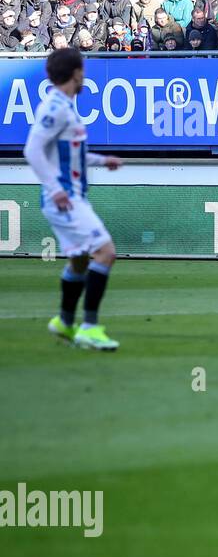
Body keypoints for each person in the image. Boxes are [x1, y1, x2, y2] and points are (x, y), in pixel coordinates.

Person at [23, 47, 123, 350]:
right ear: (76, 73)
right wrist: (55, 189)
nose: (85, 75)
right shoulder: (56, 108)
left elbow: (70, 154)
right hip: (65, 199)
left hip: (71, 195)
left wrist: (101, 160)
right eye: (83, 70)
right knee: (105, 252)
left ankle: (65, 323)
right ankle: (89, 327)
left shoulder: (63, 106)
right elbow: (32, 150)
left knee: (80, 261)